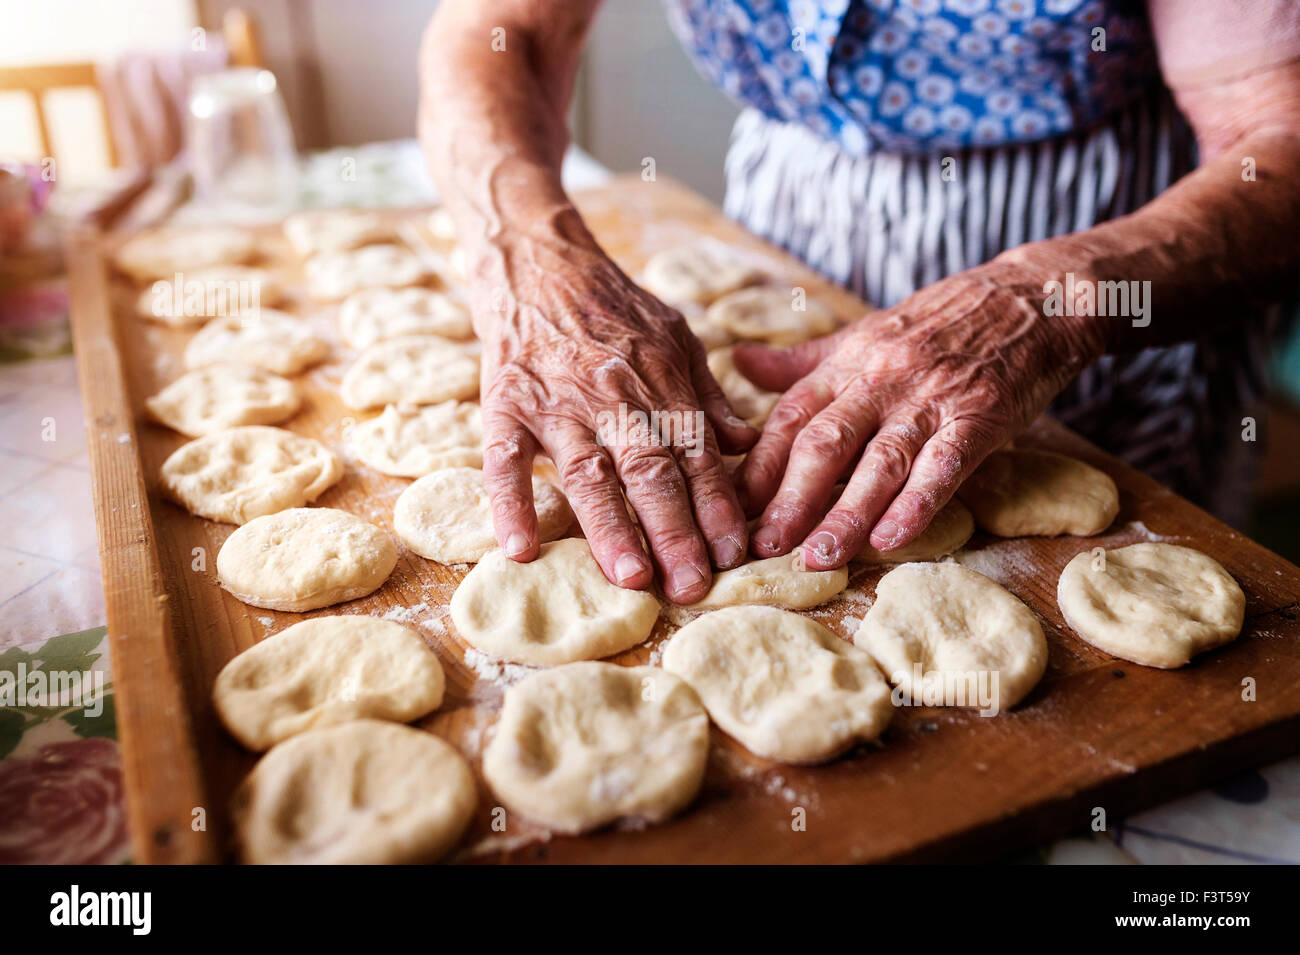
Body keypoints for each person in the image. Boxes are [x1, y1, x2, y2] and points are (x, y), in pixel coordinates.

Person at [419, 0, 1300, 604]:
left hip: (1116, 261)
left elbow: (1278, 137)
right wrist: (526, 260)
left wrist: (1045, 309)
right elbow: (499, 33)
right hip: (790, 222)